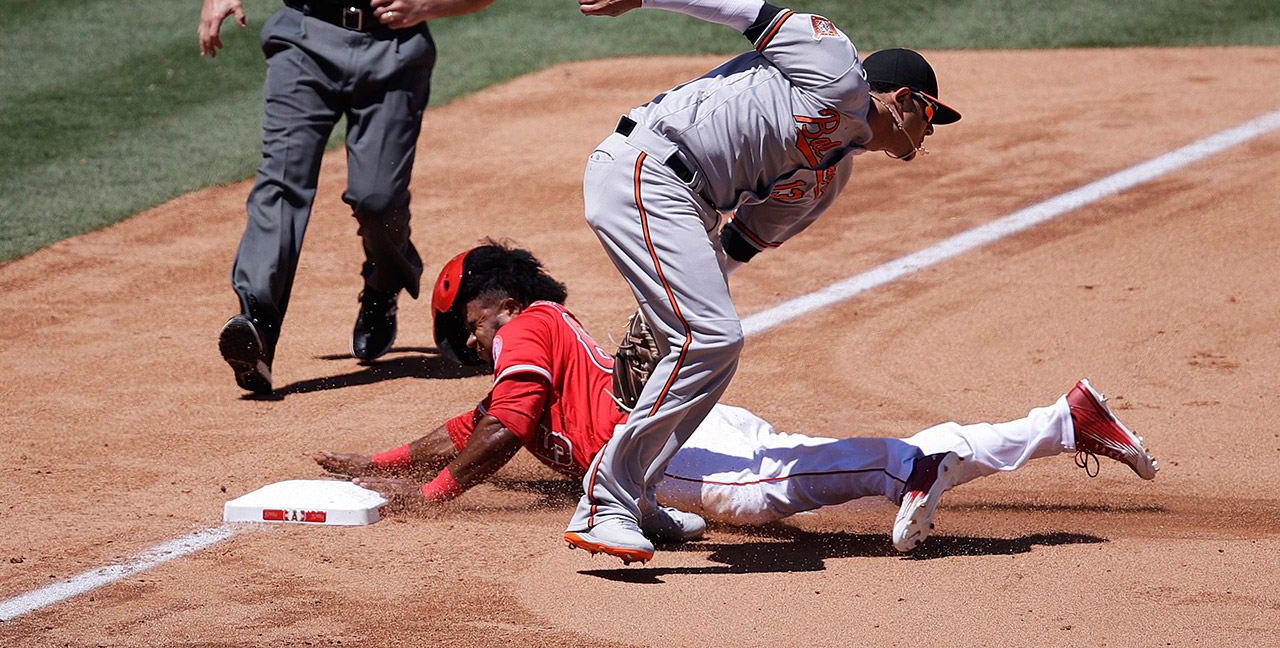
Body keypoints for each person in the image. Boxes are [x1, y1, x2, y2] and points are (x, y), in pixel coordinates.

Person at [313, 243, 1158, 563]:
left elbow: (501, 430)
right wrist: (378, 464)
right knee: (807, 469)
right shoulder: (541, 333)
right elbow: (469, 428)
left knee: (780, 492)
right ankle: (1062, 421)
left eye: (463, 327)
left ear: (475, 308)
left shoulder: (519, 329)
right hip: (680, 443)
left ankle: (917, 466)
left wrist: (429, 499)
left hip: (675, 453)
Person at [564, 0, 963, 558]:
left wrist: (665, 311)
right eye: (929, 116)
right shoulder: (833, 63)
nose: (928, 133)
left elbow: (737, 246)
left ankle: (637, 492)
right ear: (903, 99)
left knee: (714, 348)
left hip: (687, 207)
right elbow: (744, 9)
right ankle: (605, 503)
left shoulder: (828, 175)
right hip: (645, 168)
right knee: (713, 337)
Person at [197, 0, 499, 395]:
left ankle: (383, 284)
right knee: (282, 182)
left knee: (377, 198)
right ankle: (258, 325)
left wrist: (422, 5)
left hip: (395, 51)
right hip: (304, 38)